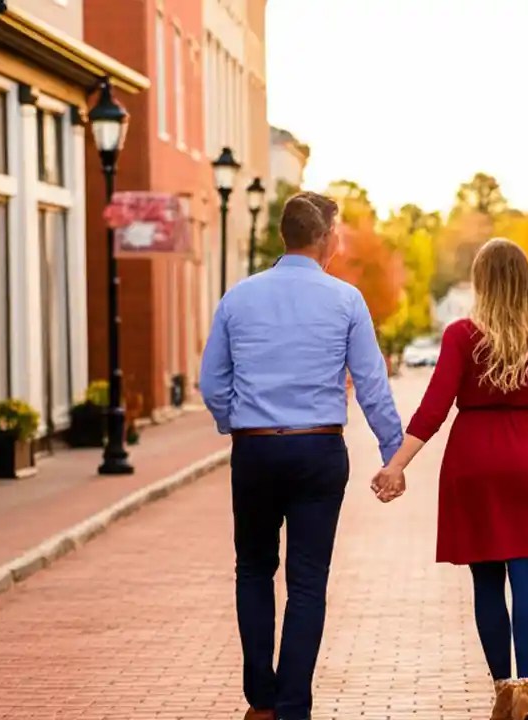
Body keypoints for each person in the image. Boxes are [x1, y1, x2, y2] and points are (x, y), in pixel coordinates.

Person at [200, 191, 405, 720]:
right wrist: (392, 454)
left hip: (256, 451)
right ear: (325, 239)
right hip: (317, 448)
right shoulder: (345, 300)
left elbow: (212, 382)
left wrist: (236, 424)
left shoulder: (238, 298)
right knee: (307, 580)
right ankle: (292, 706)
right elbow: (372, 383)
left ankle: (261, 700)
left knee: (253, 570)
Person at [372, 238, 528, 720]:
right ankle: (527, 687)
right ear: (526, 282)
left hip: (473, 459)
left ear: (480, 283)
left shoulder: (462, 334)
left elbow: (434, 408)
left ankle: (503, 686)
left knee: (486, 581)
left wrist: (397, 464)